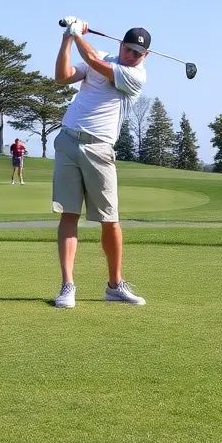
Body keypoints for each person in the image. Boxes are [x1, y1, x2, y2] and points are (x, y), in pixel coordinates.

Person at [51, 17, 150, 309]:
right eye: (127, 49)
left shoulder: (134, 76)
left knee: (110, 220)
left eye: (137, 53)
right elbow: (63, 76)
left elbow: (93, 60)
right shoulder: (104, 58)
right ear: (120, 44)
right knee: (68, 214)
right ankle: (67, 286)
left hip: (99, 148)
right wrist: (67, 40)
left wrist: (78, 34)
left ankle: (115, 285)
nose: (130, 55)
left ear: (146, 57)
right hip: (68, 139)